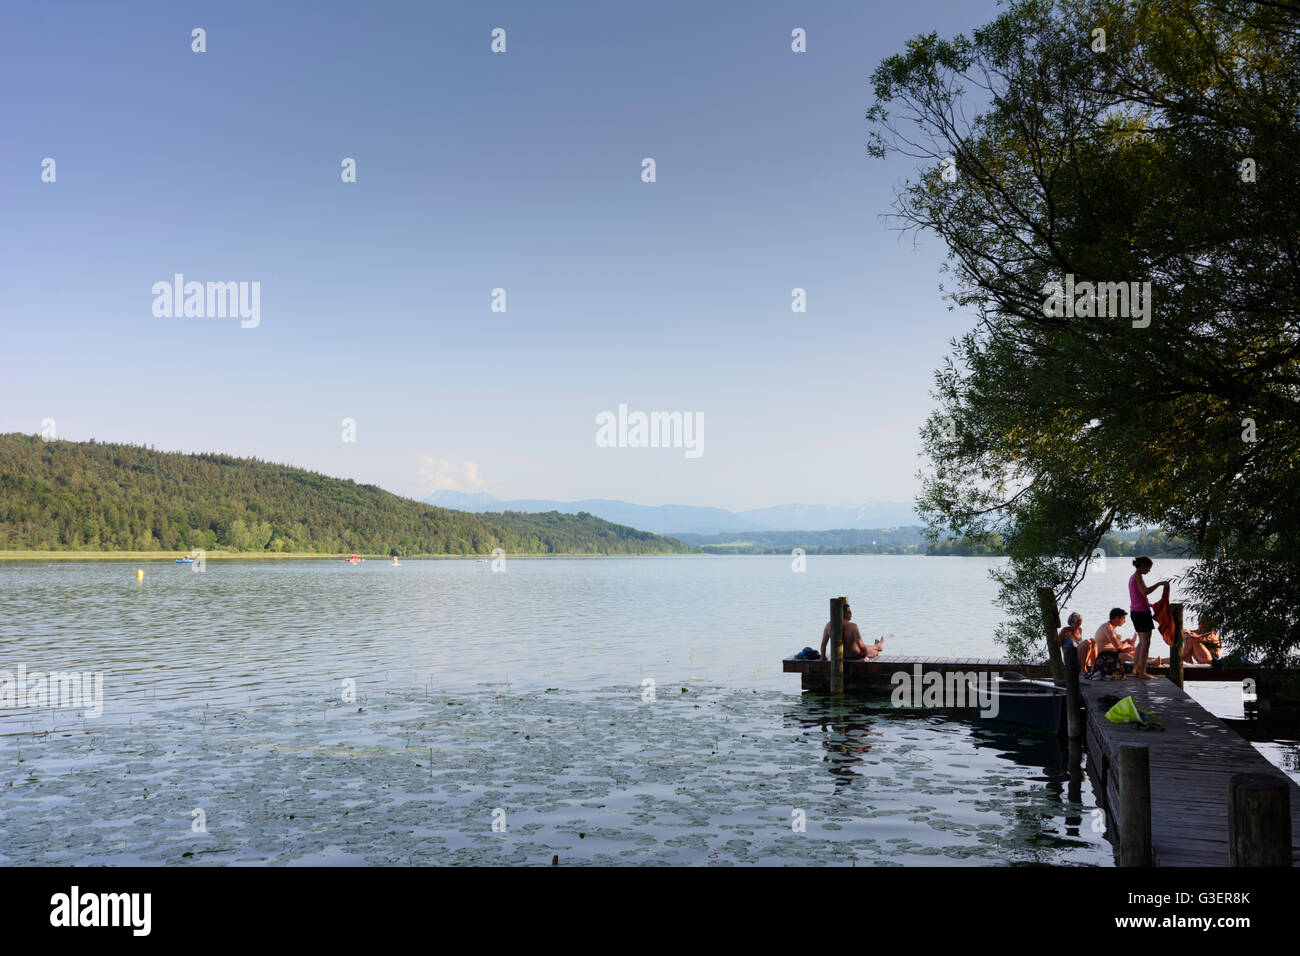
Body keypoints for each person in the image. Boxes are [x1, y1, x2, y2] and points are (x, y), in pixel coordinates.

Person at [1129, 556, 1170, 680]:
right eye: (1148, 568)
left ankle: (1135, 670)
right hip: (1141, 613)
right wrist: (1159, 584)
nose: (1149, 570)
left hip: (1136, 611)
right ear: (1142, 566)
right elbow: (1145, 591)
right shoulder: (1137, 576)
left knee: (1141, 643)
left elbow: (1139, 595)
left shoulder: (1134, 576)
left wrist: (1149, 604)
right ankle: (1142, 672)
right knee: (1146, 643)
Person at [1092, 607, 1136, 677]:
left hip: (1111, 653)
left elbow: (1115, 644)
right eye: (1123, 618)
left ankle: (1147, 663)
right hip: (1104, 656)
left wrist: (1125, 642)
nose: (1125, 621)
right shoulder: (1107, 628)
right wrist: (1128, 645)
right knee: (1126, 655)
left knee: (1132, 652)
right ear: (1117, 618)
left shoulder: (1112, 627)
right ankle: (1144, 664)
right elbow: (1118, 646)